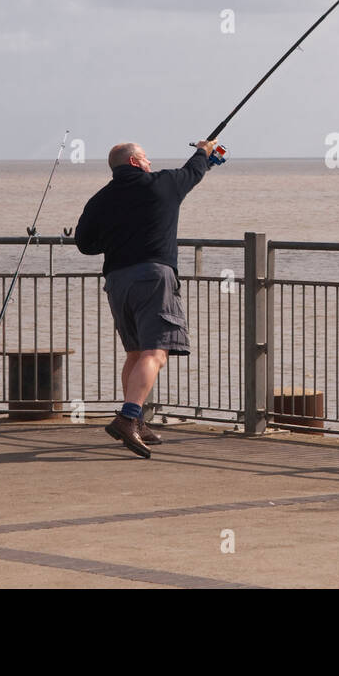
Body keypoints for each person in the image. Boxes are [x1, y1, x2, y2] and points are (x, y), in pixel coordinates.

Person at [74, 139, 217, 458]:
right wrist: (205, 151)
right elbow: (193, 172)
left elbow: (84, 243)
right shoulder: (161, 184)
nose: (151, 163)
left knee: (136, 353)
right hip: (153, 276)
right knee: (156, 353)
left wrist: (116, 241)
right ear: (136, 162)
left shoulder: (100, 198)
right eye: (147, 159)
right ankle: (127, 417)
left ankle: (137, 420)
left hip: (117, 281)